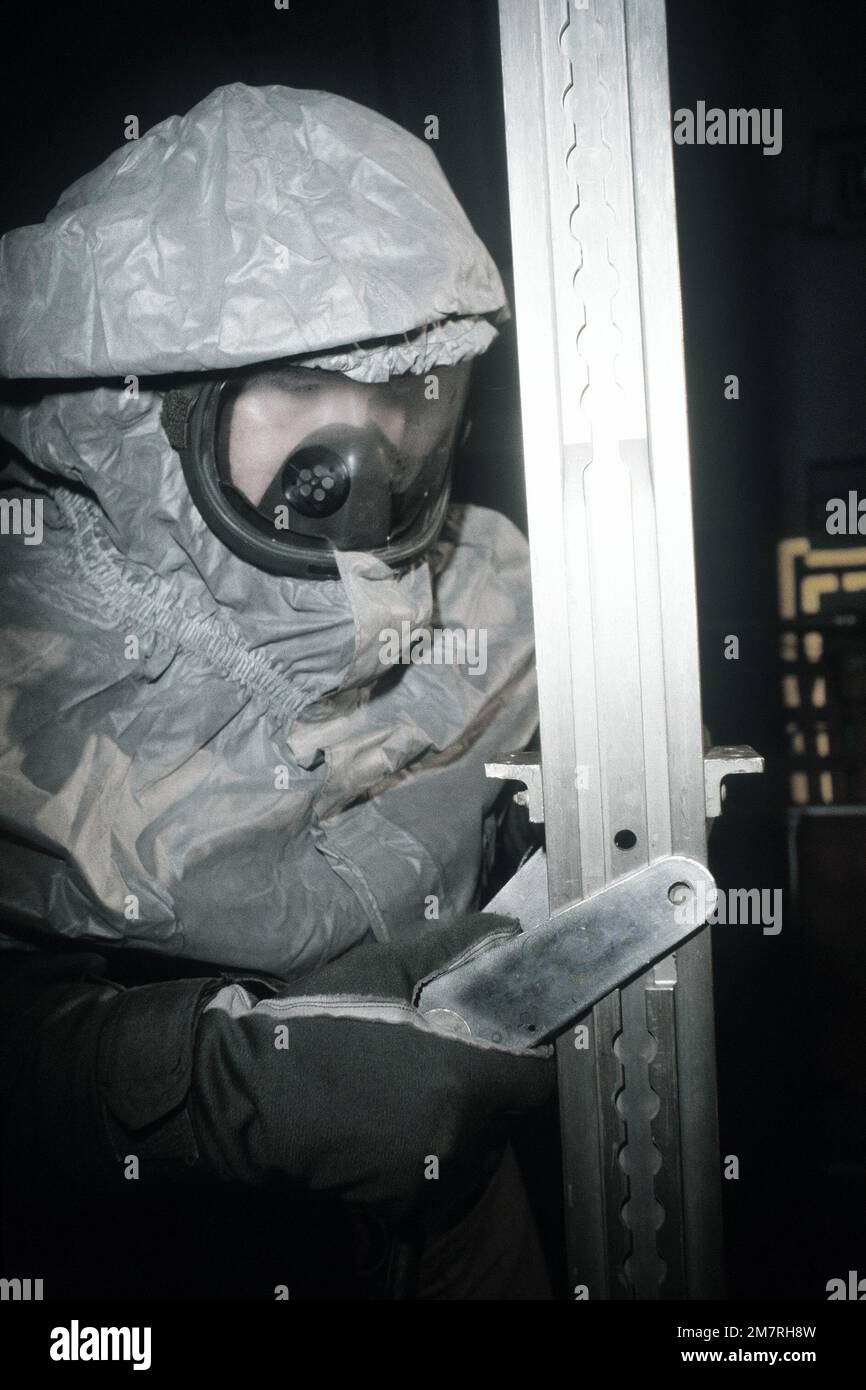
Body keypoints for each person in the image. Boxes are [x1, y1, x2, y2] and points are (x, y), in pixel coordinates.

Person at [0, 82, 553, 1299]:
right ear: (145, 414)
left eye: (408, 400)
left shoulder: (490, 604)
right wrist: (195, 1086)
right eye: (300, 395)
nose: (364, 469)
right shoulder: (24, 656)